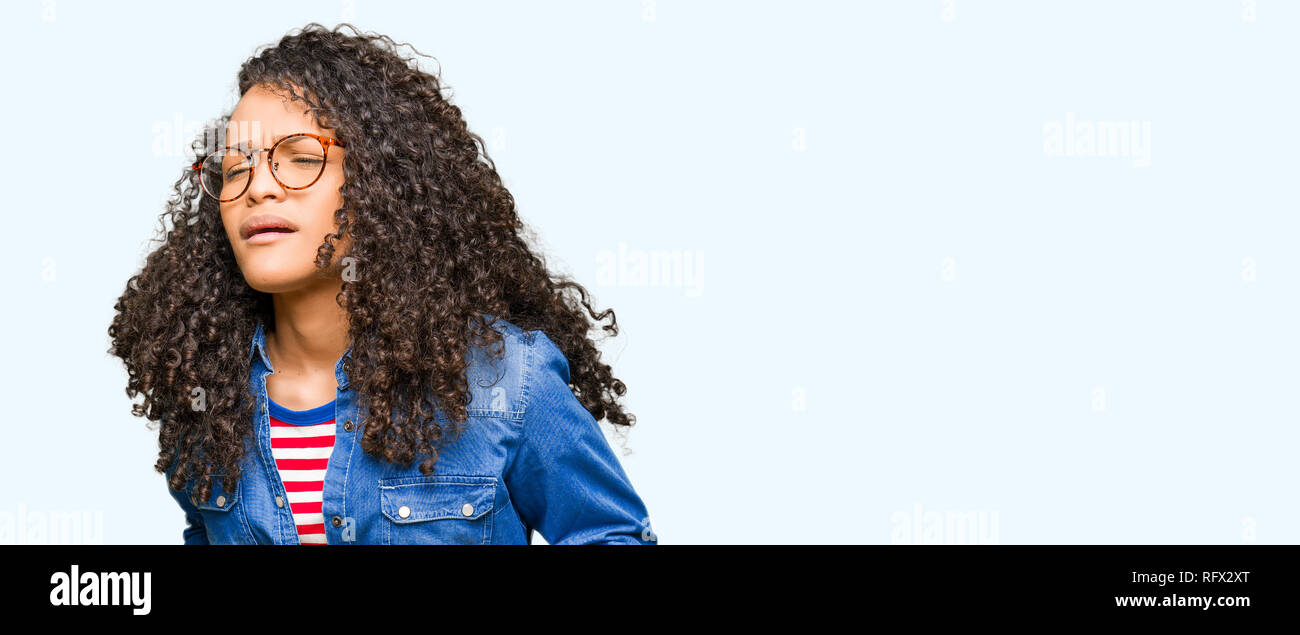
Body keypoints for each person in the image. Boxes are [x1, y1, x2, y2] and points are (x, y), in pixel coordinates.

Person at [107, 23, 655, 545]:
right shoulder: (206, 390)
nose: (259, 189)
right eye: (234, 168)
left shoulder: (506, 379)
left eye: (299, 159)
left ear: (379, 182)